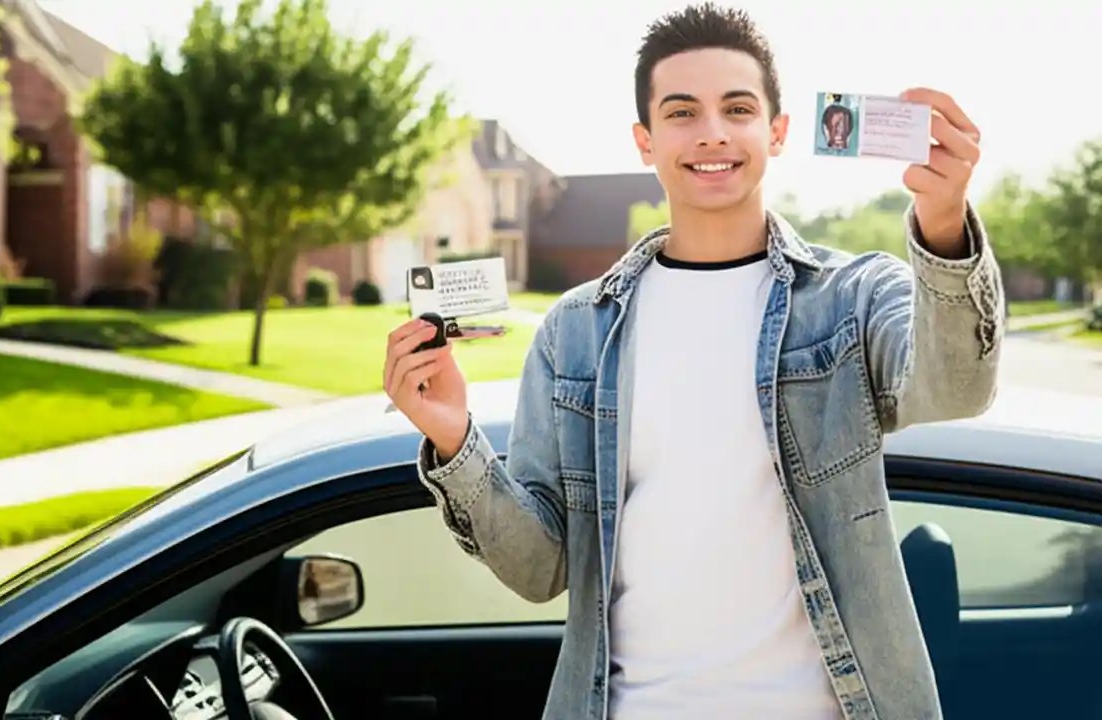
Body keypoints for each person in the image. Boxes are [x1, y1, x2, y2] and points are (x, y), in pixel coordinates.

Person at [382, 3, 1003, 719]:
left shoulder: (854, 298)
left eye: (737, 108)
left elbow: (956, 388)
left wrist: (944, 221)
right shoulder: (576, 332)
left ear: (776, 131)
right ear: (645, 142)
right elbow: (539, 568)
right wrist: (455, 440)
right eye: (682, 112)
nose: (712, 132)